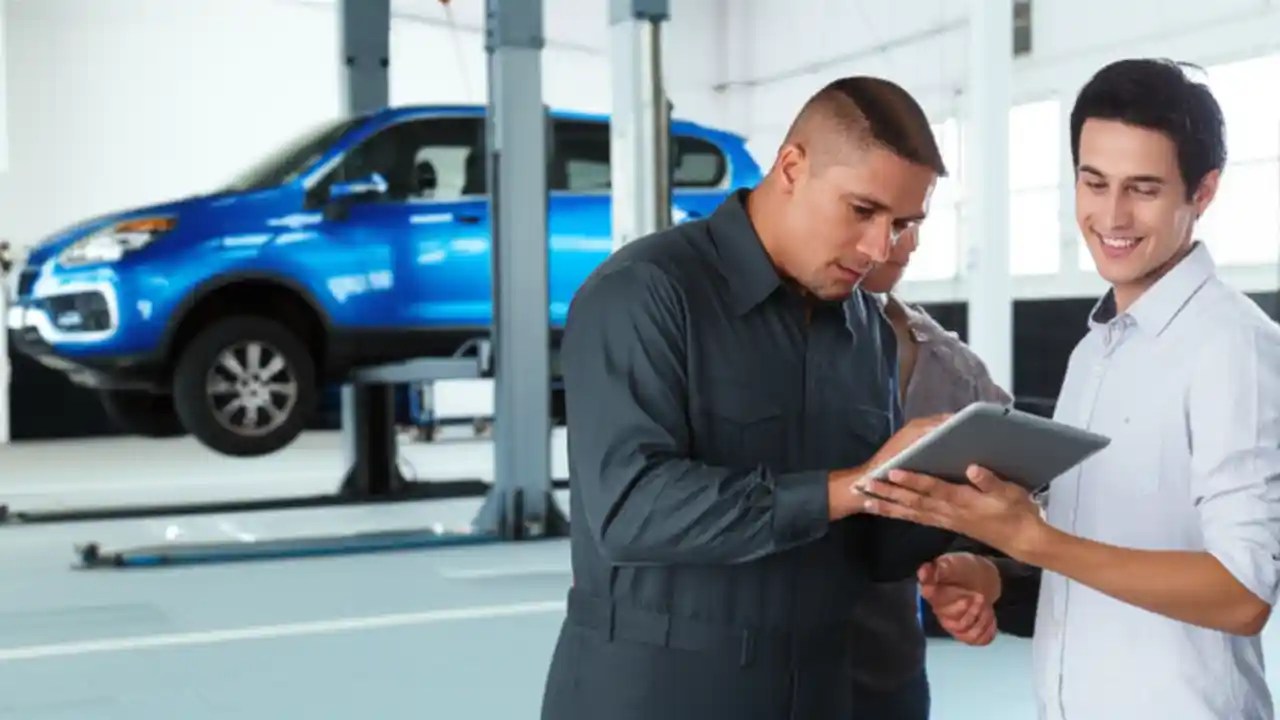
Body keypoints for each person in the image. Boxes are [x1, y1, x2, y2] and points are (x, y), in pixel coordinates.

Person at [859, 57, 1280, 719]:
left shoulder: (1232, 346)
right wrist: (998, 578)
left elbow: (1241, 595)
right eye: (1093, 181)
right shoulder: (1097, 349)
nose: (1111, 214)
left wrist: (1033, 542)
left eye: (1143, 187)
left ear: (1203, 193)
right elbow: (1101, 542)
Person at [540, 76, 961, 720]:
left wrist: (955, 507)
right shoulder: (646, 293)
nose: (881, 248)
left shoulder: (864, 328)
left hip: (819, 689)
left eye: (902, 223)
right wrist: (840, 490)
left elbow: (861, 545)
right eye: (863, 211)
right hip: (658, 693)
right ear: (792, 166)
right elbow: (627, 507)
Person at [846, 225, 1014, 719]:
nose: (908, 241)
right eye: (868, 212)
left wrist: (975, 574)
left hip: (880, 668)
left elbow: (1012, 485)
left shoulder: (947, 367)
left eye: (912, 222)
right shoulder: (733, 342)